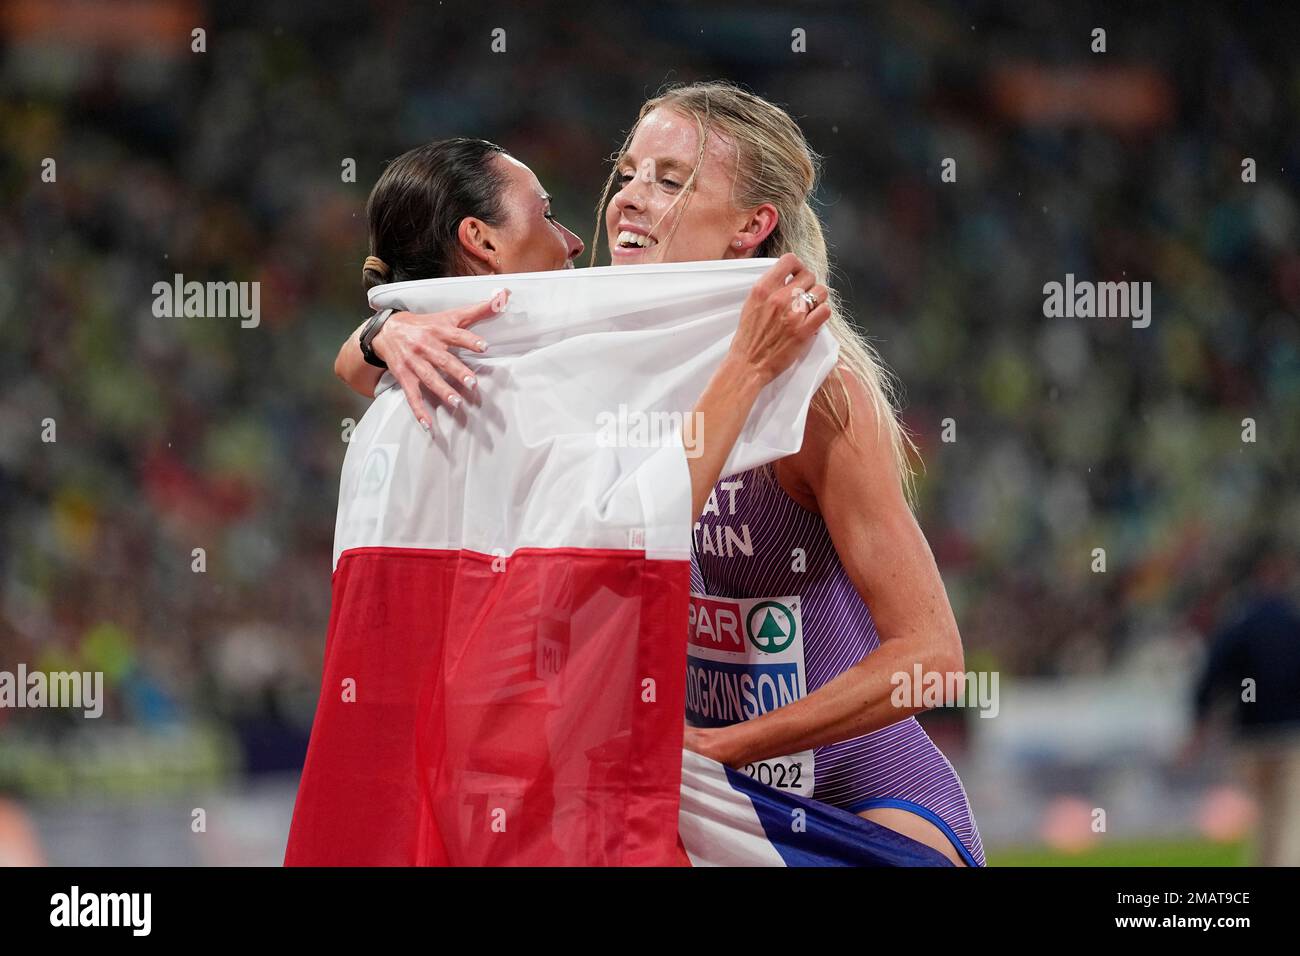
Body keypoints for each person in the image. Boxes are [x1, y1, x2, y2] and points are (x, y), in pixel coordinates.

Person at [337, 82, 983, 866]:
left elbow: (933, 656)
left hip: (863, 801)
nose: (629, 200)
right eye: (631, 171)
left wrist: (725, 745)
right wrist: (388, 331)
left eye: (671, 181)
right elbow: (371, 360)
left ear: (753, 225)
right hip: (692, 794)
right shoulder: (590, 343)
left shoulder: (814, 387)